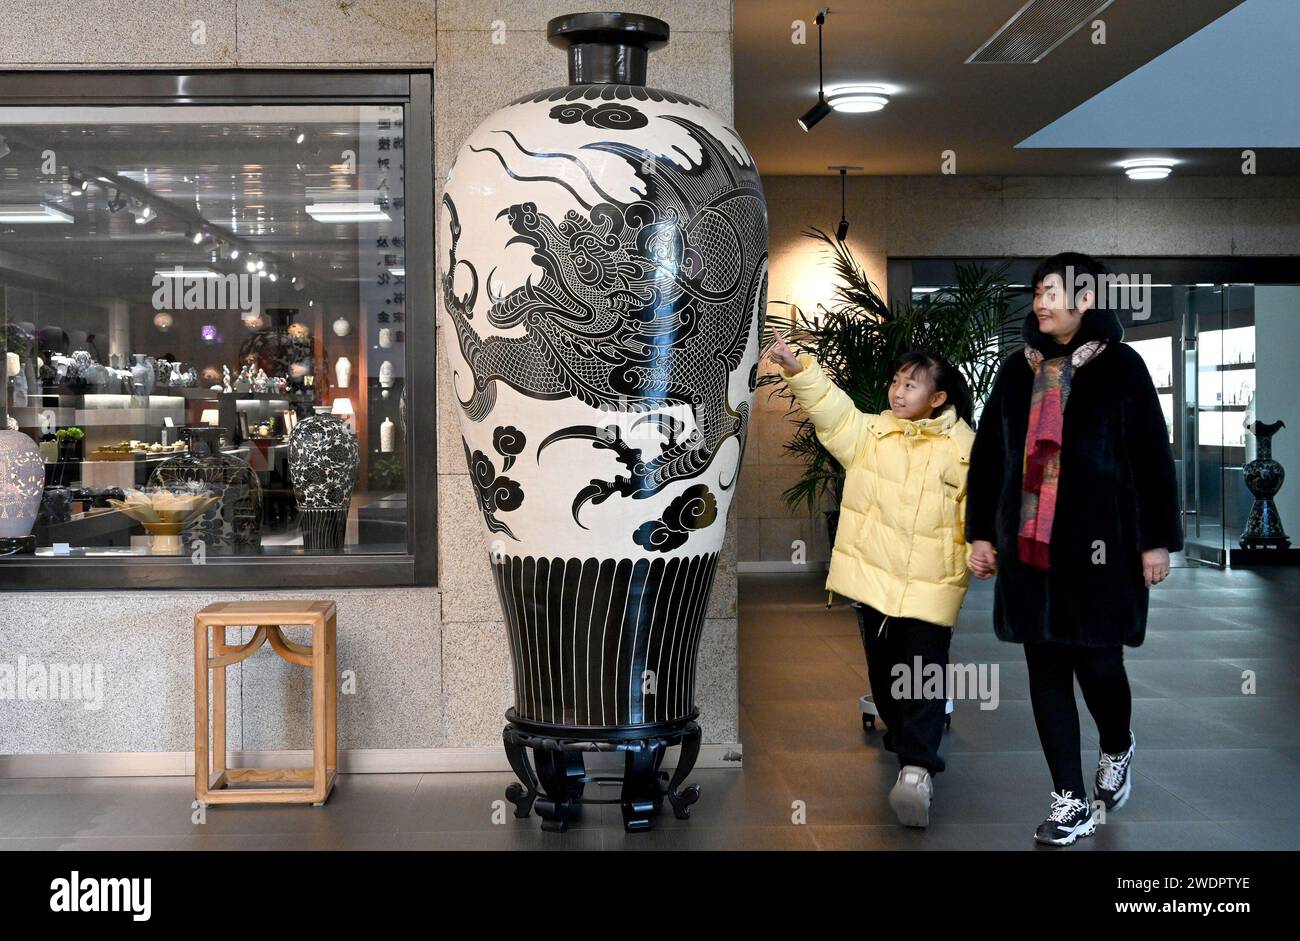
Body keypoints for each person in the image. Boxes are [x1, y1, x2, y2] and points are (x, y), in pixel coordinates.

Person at [964, 252, 1183, 846]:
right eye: (1037, 290)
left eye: (1053, 291)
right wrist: (982, 533)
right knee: (1046, 668)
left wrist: (1155, 541)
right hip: (1029, 550)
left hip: (1103, 548)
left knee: (1100, 665)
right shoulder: (1016, 370)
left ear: (1086, 299)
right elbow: (990, 459)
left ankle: (1118, 745)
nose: (1041, 301)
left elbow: (1151, 461)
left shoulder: (1122, 368)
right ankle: (1068, 798)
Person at [769, 325, 975, 827]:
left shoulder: (967, 448)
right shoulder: (872, 435)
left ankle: (917, 771)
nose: (898, 391)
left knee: (924, 676)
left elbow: (982, 508)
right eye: (897, 382)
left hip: (931, 588)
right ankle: (905, 741)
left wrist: (982, 549)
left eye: (911, 385)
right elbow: (835, 414)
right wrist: (802, 372)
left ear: (939, 397)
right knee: (885, 681)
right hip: (875, 587)